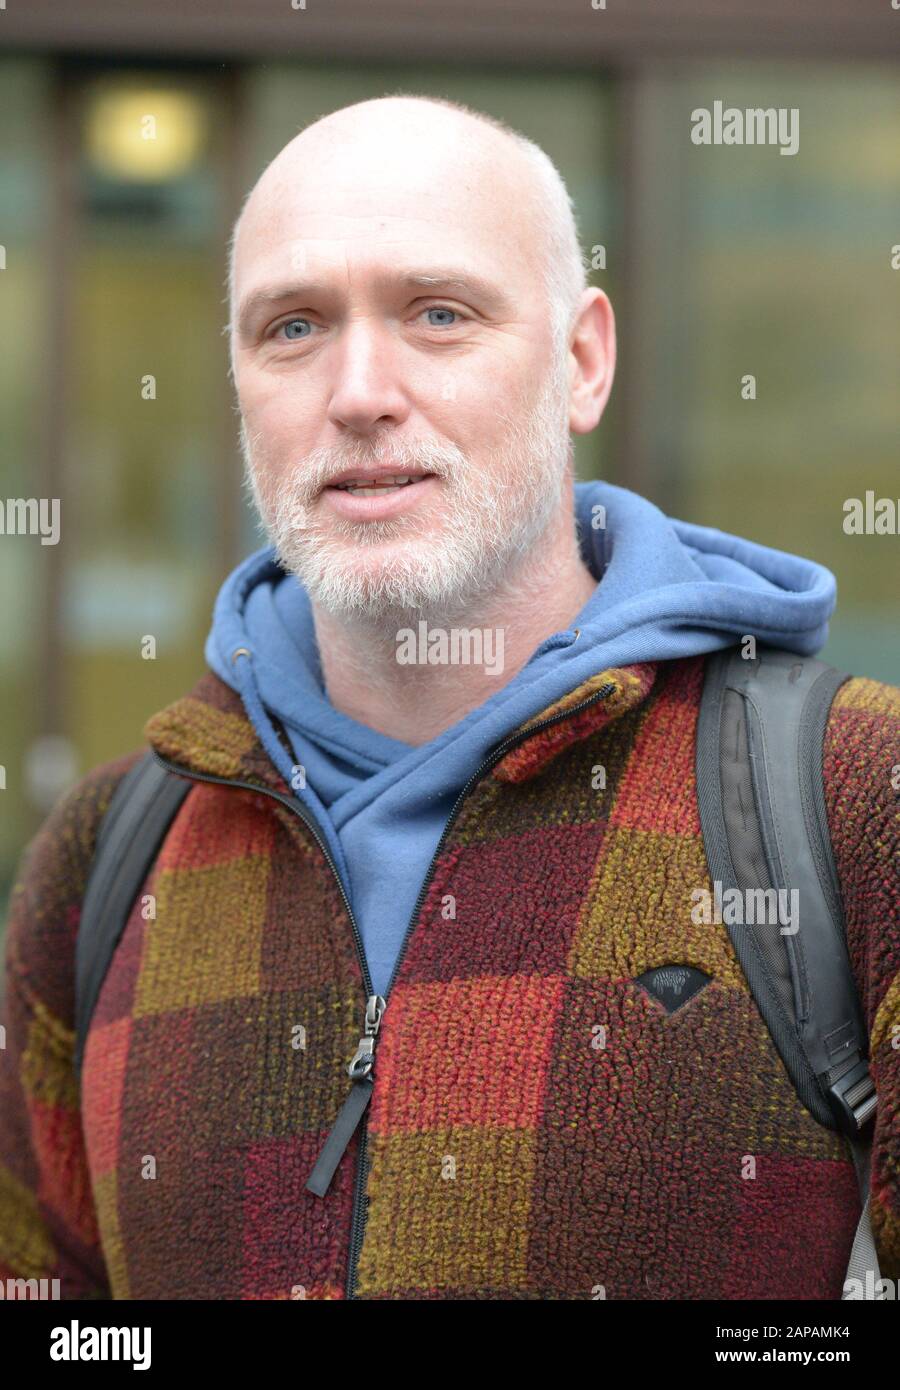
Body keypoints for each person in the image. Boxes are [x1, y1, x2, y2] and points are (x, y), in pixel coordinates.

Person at [1, 94, 897, 1301]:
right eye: (293, 327)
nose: (359, 389)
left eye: (438, 313)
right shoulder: (105, 859)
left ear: (581, 361)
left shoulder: (854, 803)